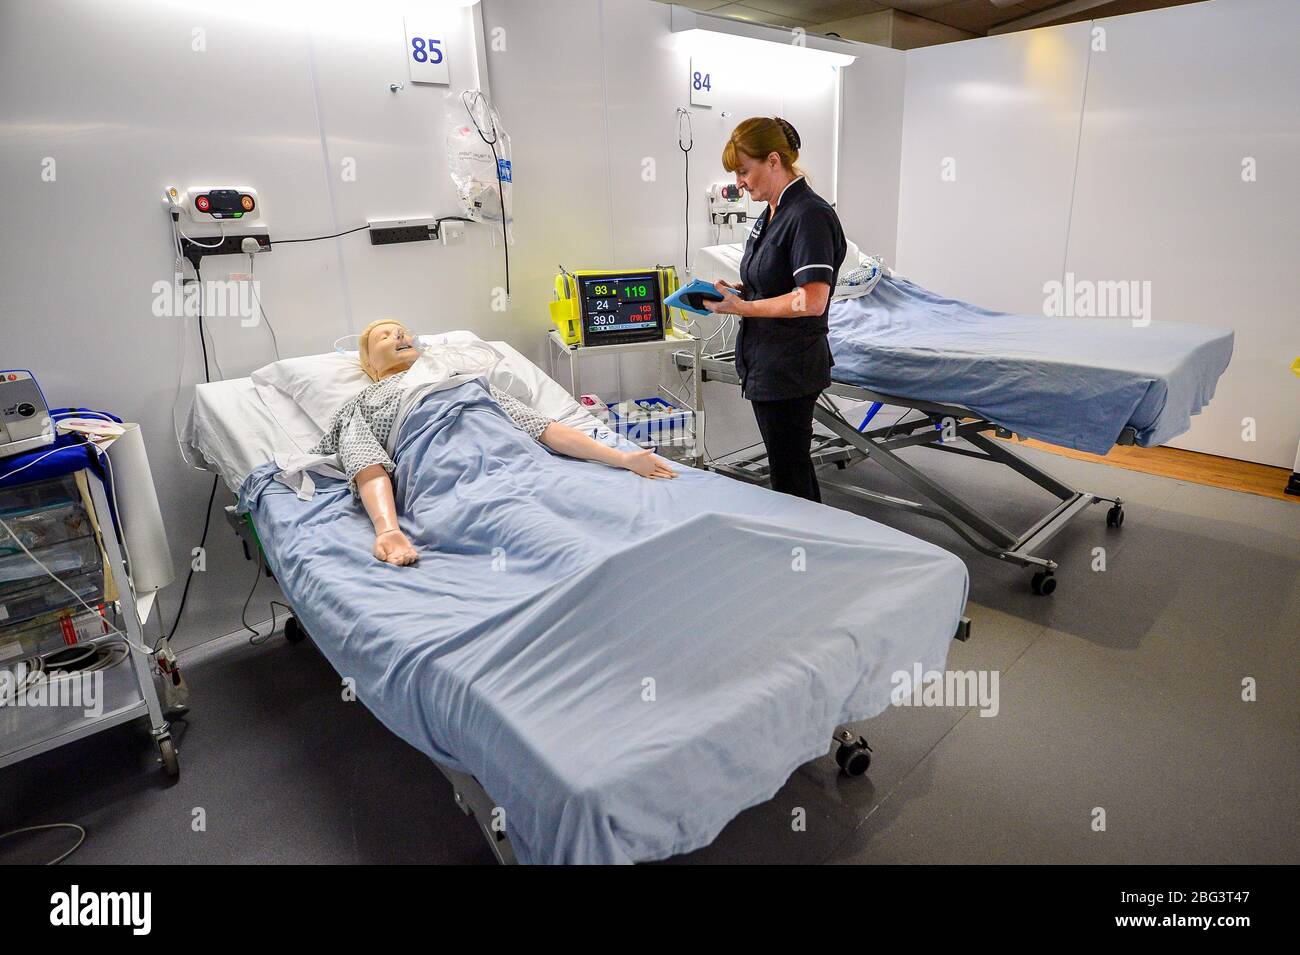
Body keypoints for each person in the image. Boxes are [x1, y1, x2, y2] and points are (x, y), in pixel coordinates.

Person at [313, 320, 676, 566]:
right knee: (544, 538)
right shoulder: (362, 404)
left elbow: (542, 428)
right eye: (386, 336)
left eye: (403, 331)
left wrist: (621, 458)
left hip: (525, 461)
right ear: (368, 364)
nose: (400, 336)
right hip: (451, 475)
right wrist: (388, 530)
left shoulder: (466, 380)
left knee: (607, 512)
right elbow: (368, 466)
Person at [704, 116, 846, 502]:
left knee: (791, 474)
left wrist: (744, 307)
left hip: (790, 367)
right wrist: (739, 291)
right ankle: (802, 547)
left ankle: (808, 552)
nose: (739, 183)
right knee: (786, 468)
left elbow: (812, 300)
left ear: (772, 161)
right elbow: (775, 281)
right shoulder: (770, 214)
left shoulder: (809, 215)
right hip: (766, 363)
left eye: (744, 171)